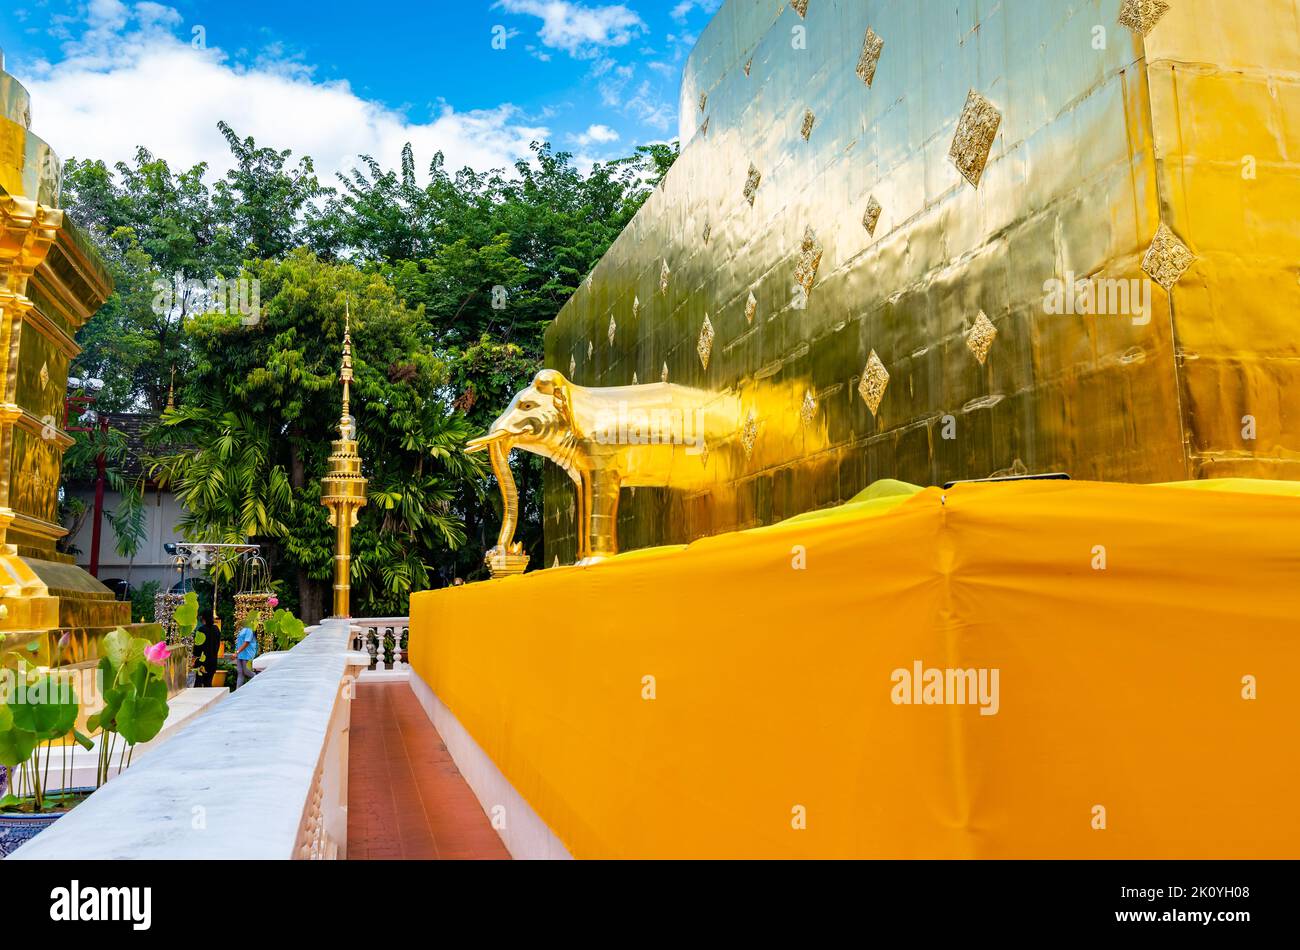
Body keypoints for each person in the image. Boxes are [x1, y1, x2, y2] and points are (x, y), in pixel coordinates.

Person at [192, 607, 221, 688]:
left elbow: (197, 647)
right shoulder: (216, 629)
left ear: (202, 617)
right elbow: (217, 644)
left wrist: (194, 658)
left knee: (198, 683)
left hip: (202, 662)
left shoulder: (201, 630)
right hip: (213, 660)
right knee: (208, 684)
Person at [234, 620, 259, 689]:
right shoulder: (243, 629)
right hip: (241, 654)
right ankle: (237, 690)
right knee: (240, 672)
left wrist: (237, 652)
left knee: (246, 671)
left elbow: (246, 642)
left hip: (247, 654)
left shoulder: (249, 629)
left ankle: (259, 679)